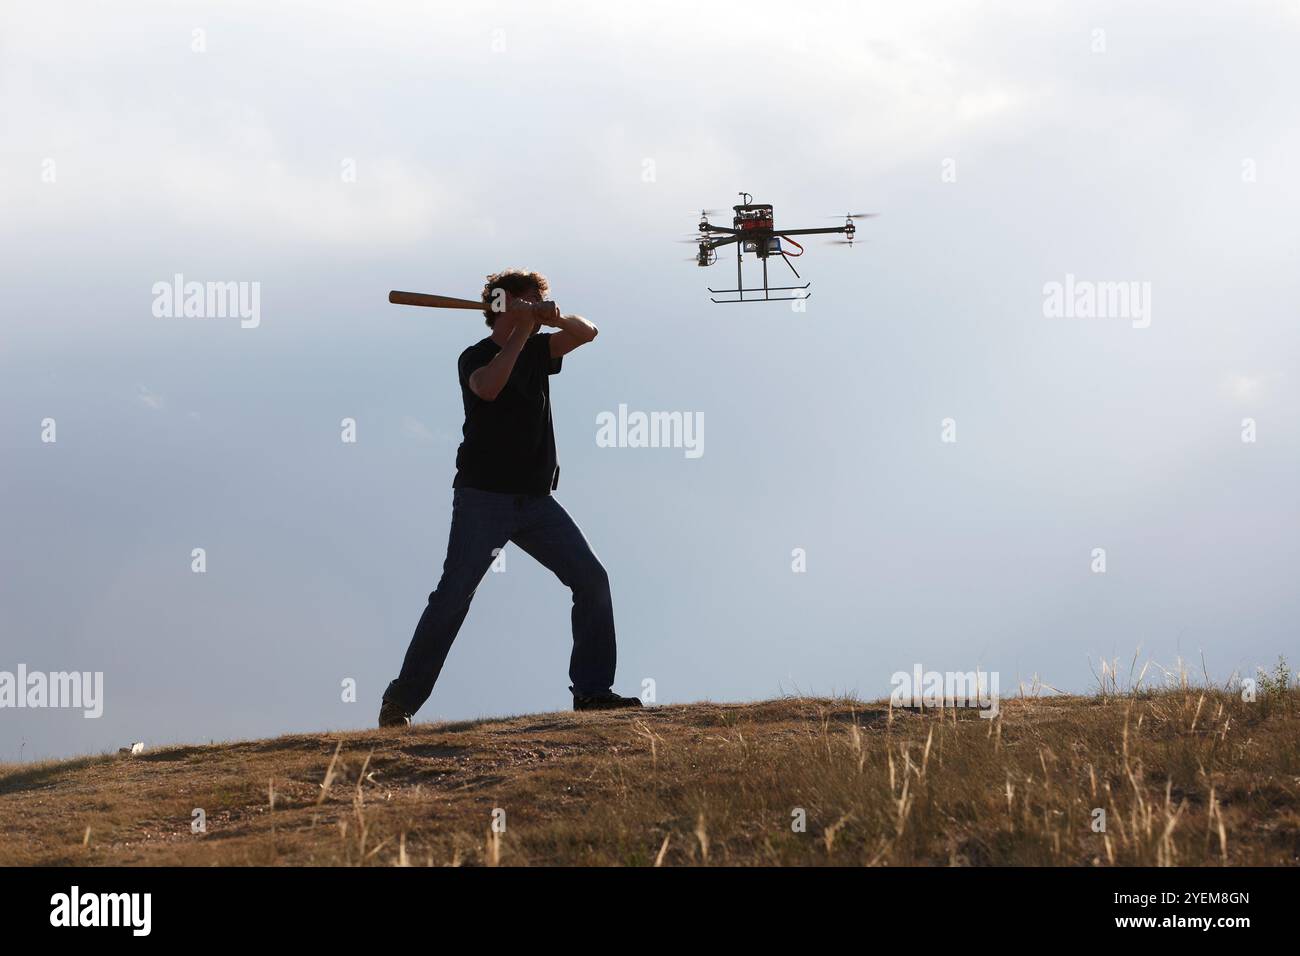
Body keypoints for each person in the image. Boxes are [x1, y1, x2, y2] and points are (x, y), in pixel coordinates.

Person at [379, 269, 641, 728]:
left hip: (537, 501)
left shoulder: (541, 348)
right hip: (484, 497)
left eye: (541, 298)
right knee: (453, 595)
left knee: (592, 580)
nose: (538, 305)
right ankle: (400, 702)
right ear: (503, 305)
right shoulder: (475, 356)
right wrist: (521, 331)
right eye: (530, 299)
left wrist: (553, 319)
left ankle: (593, 693)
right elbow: (490, 387)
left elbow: (589, 332)